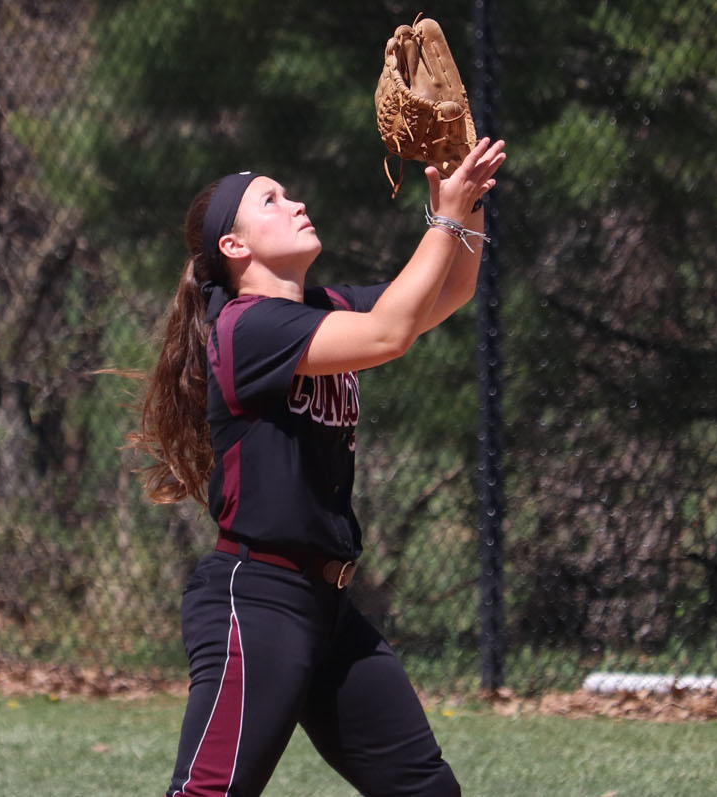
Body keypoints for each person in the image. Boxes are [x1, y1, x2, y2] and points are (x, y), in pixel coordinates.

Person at [129, 136, 506, 797]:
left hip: (326, 606)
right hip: (258, 600)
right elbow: (390, 334)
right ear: (234, 247)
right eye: (270, 200)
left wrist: (464, 200)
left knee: (424, 788)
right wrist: (442, 219)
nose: (295, 201)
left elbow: (451, 288)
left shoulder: (323, 307)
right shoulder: (244, 327)